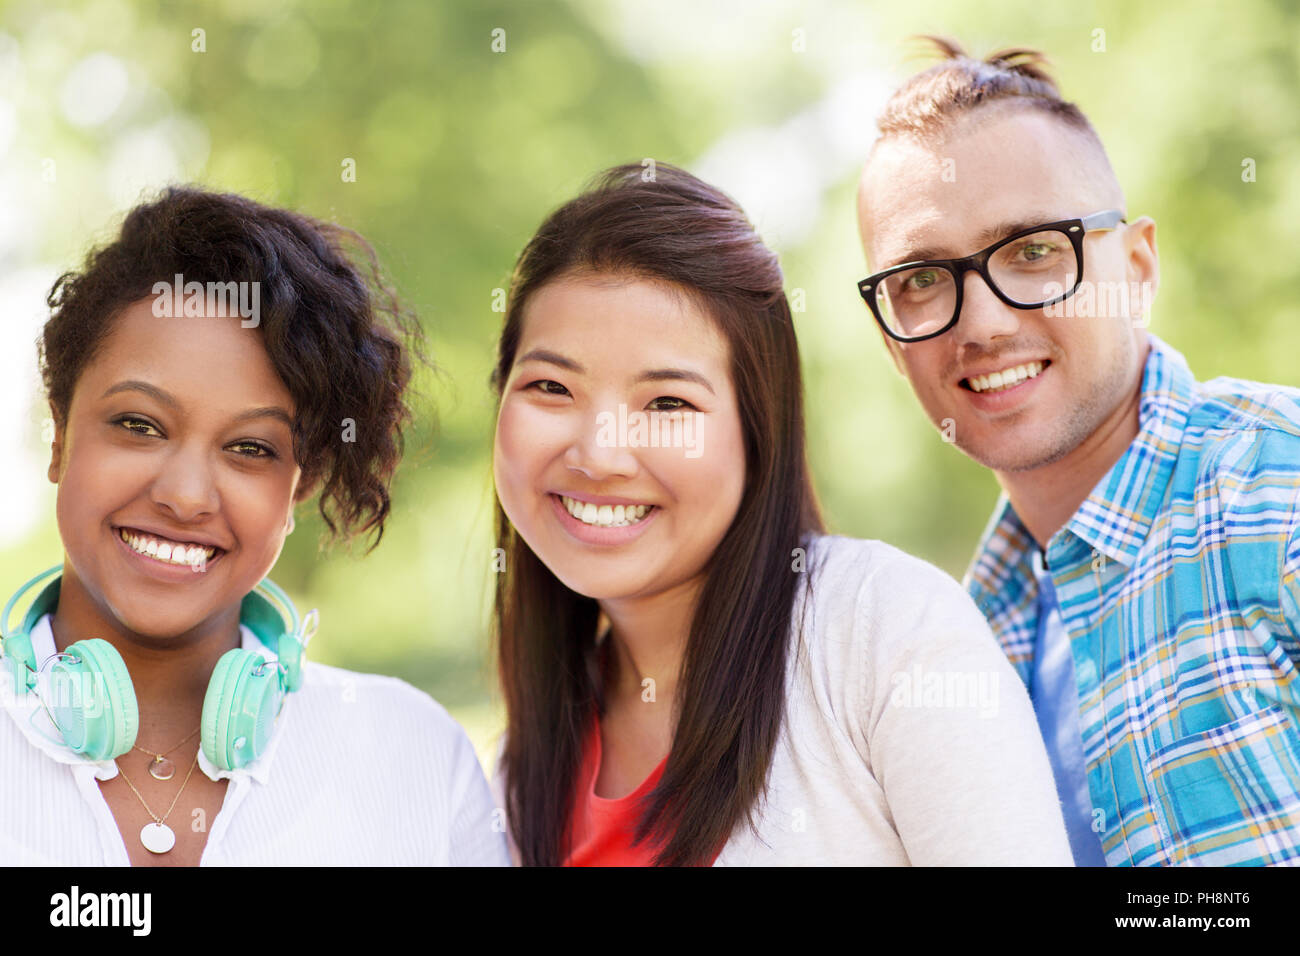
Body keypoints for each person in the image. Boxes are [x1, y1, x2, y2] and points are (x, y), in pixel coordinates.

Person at [487, 161, 1072, 866]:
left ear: (758, 430)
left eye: (668, 402)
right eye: (551, 387)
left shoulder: (884, 633)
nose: (600, 454)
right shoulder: (517, 775)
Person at [854, 38, 1300, 866]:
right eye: (920, 279)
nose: (982, 324)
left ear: (1137, 267)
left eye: (1032, 252)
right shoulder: (962, 635)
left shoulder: (1278, 488)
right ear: (891, 342)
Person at [0, 187, 509, 866]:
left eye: (250, 449)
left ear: (299, 483)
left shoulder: (414, 755)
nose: (184, 497)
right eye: (139, 425)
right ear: (60, 435)